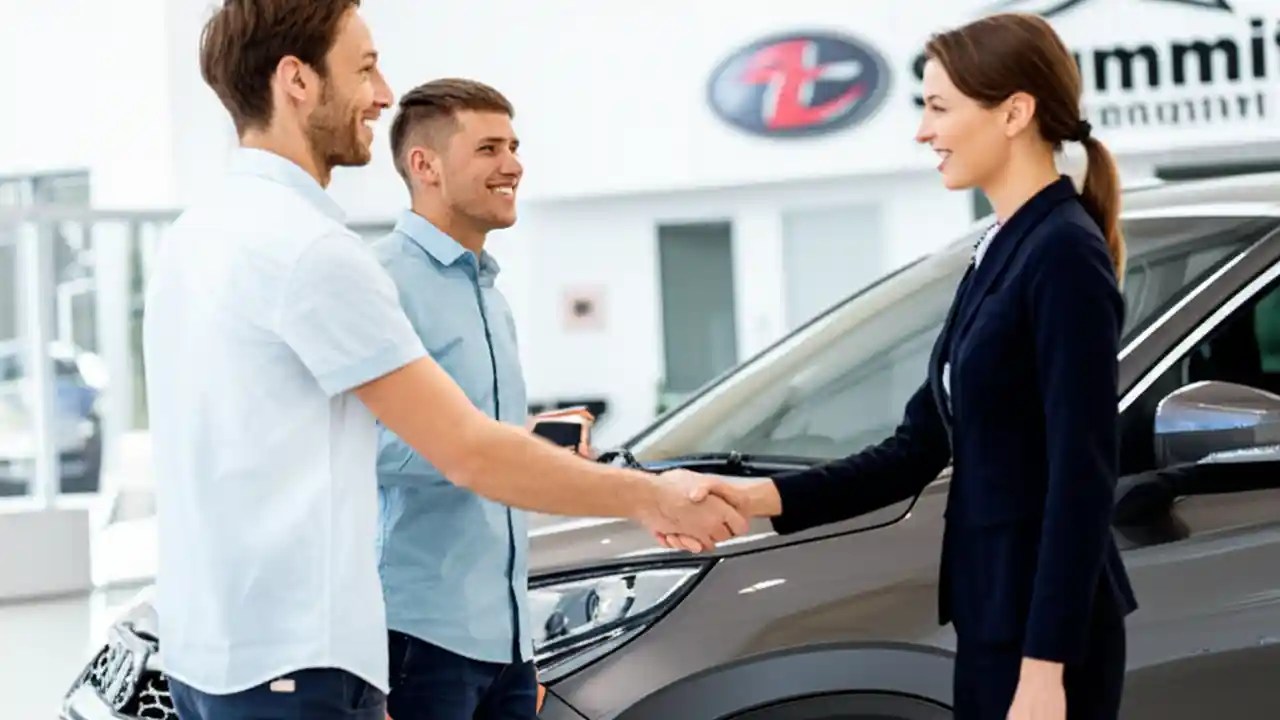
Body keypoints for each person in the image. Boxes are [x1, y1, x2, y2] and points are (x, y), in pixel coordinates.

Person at [144, 3, 746, 719]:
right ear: (296, 80)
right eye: (364, 67)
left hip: (211, 651)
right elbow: (466, 452)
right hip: (296, 660)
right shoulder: (314, 250)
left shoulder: (198, 233)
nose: (383, 94)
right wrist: (651, 497)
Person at [659, 12, 1138, 720]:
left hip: (1044, 642)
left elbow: (1082, 479)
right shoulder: (1001, 250)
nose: (923, 131)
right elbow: (915, 450)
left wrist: (1046, 670)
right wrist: (754, 498)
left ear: (1014, 112)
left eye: (939, 107)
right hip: (995, 618)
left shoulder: (1063, 255)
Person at [369, 77, 575, 720]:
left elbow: (481, 435)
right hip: (419, 634)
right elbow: (364, 446)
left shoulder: (491, 293)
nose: (513, 165)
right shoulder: (379, 282)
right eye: (489, 148)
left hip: (507, 637)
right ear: (423, 165)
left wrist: (529, 436)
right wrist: (504, 448)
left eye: (513, 146)